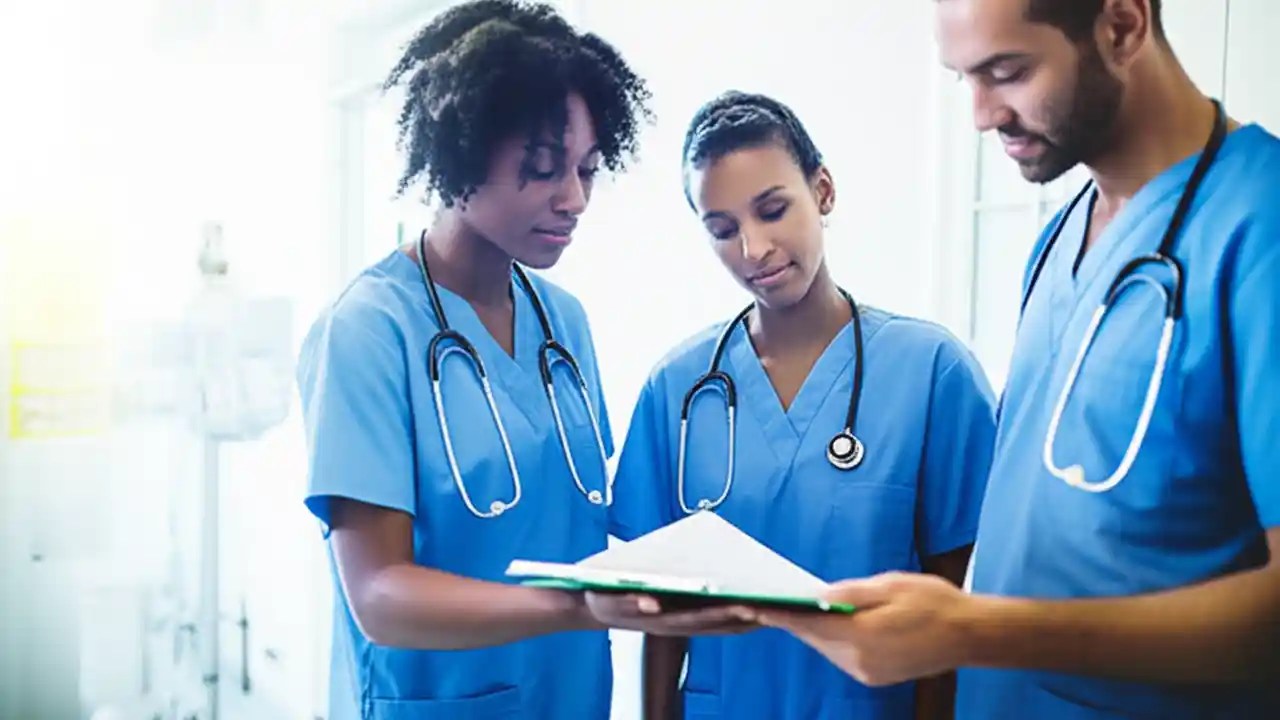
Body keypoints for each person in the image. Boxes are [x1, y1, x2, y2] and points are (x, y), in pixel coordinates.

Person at [745, 1, 1280, 718]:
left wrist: (973, 629)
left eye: (1007, 72)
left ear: (1121, 25)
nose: (980, 114)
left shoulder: (1259, 226)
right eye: (964, 77)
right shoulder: (1062, 236)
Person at [294, 3, 735, 718]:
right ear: (460, 153)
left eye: (588, 170)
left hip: (571, 699)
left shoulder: (563, 323)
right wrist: (578, 609)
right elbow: (379, 597)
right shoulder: (370, 331)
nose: (574, 199)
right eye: (541, 169)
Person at [588, 91, 998, 720]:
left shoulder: (932, 372)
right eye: (722, 229)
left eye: (773, 210)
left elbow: (949, 612)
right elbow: (660, 616)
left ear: (824, 191)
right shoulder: (677, 387)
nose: (753, 250)